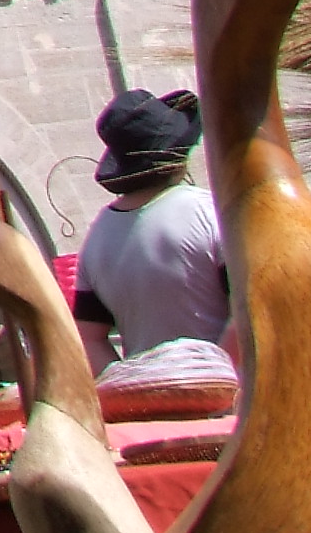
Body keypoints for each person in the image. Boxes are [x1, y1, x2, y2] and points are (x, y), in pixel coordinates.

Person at [72, 88, 232, 370]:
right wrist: (217, 377)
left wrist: (131, 386)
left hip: (151, 403)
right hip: (232, 399)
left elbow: (89, 340)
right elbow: (249, 310)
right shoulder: (211, 212)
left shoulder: (97, 237)